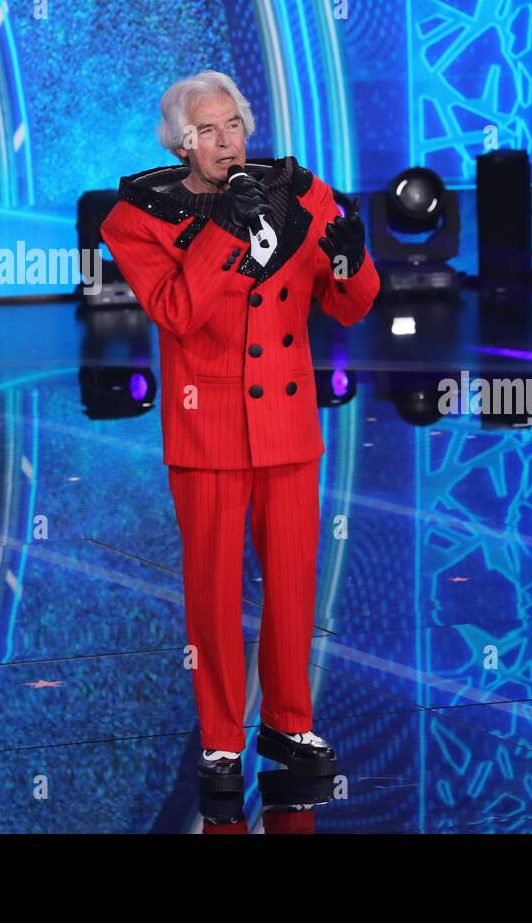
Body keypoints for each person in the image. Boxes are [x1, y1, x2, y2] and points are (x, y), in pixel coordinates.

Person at [100, 70, 380, 790]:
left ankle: (289, 724)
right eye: (207, 132)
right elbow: (177, 311)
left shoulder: (301, 193)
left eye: (233, 125)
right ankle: (222, 741)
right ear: (181, 143)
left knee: (291, 585)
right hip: (209, 428)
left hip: (287, 423)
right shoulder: (136, 219)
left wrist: (351, 259)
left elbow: (348, 306)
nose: (225, 142)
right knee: (214, 593)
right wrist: (226, 231)